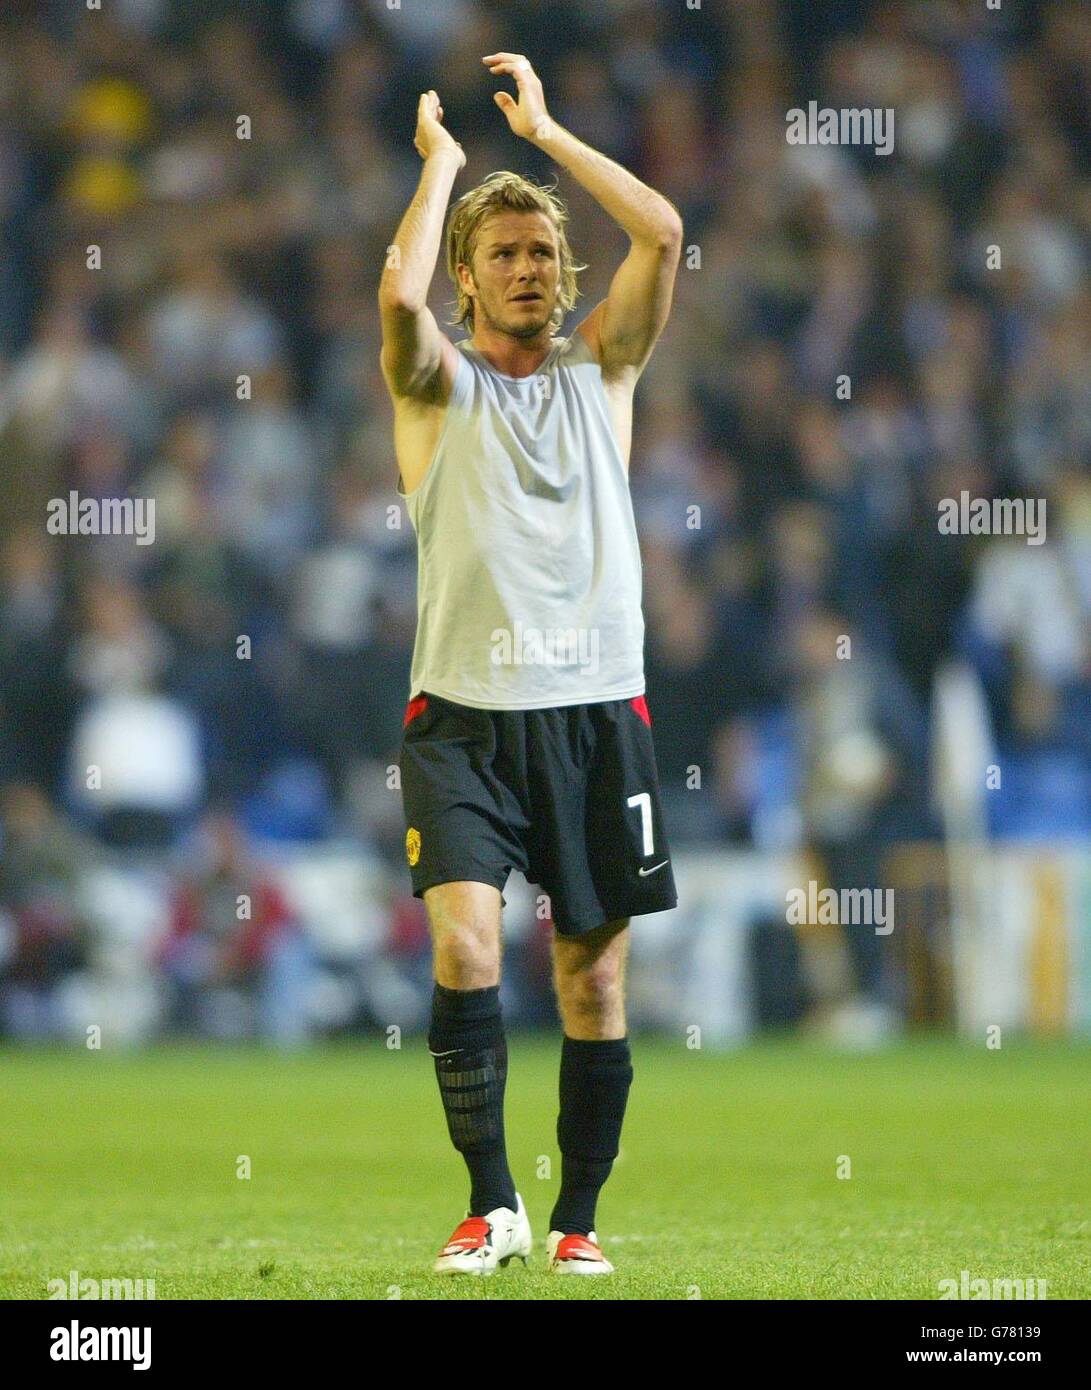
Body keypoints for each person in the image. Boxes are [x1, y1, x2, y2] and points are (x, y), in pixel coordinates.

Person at [378, 54, 682, 1276]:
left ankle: (576, 1223)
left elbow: (659, 229)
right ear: (467, 275)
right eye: (500, 254)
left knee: (592, 988)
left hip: (596, 711)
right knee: (464, 949)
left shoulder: (602, 371)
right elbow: (395, 308)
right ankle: (490, 1200)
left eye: (542, 253)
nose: (526, 269)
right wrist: (443, 168)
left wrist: (547, 136)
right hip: (460, 716)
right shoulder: (434, 387)